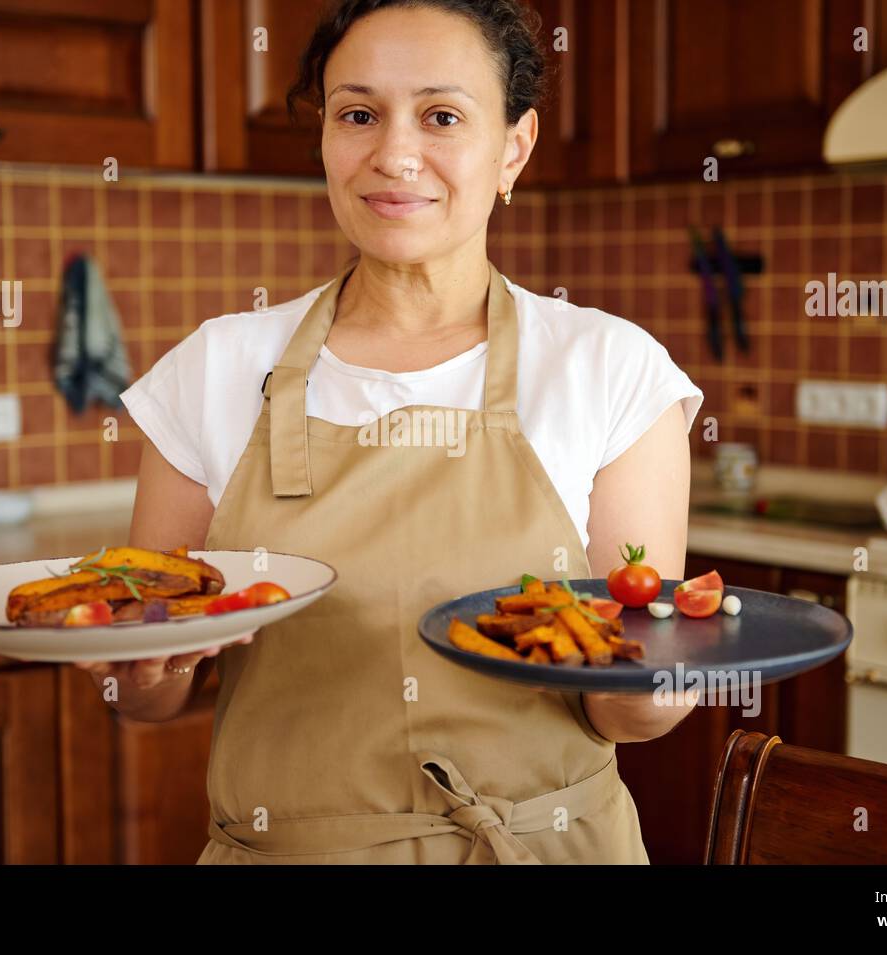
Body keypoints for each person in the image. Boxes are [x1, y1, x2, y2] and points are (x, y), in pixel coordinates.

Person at [75, 0, 704, 864]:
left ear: (513, 147)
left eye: (441, 116)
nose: (393, 154)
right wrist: (141, 670)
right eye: (358, 114)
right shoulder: (217, 368)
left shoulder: (609, 368)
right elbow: (151, 693)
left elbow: (624, 711)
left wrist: (658, 684)